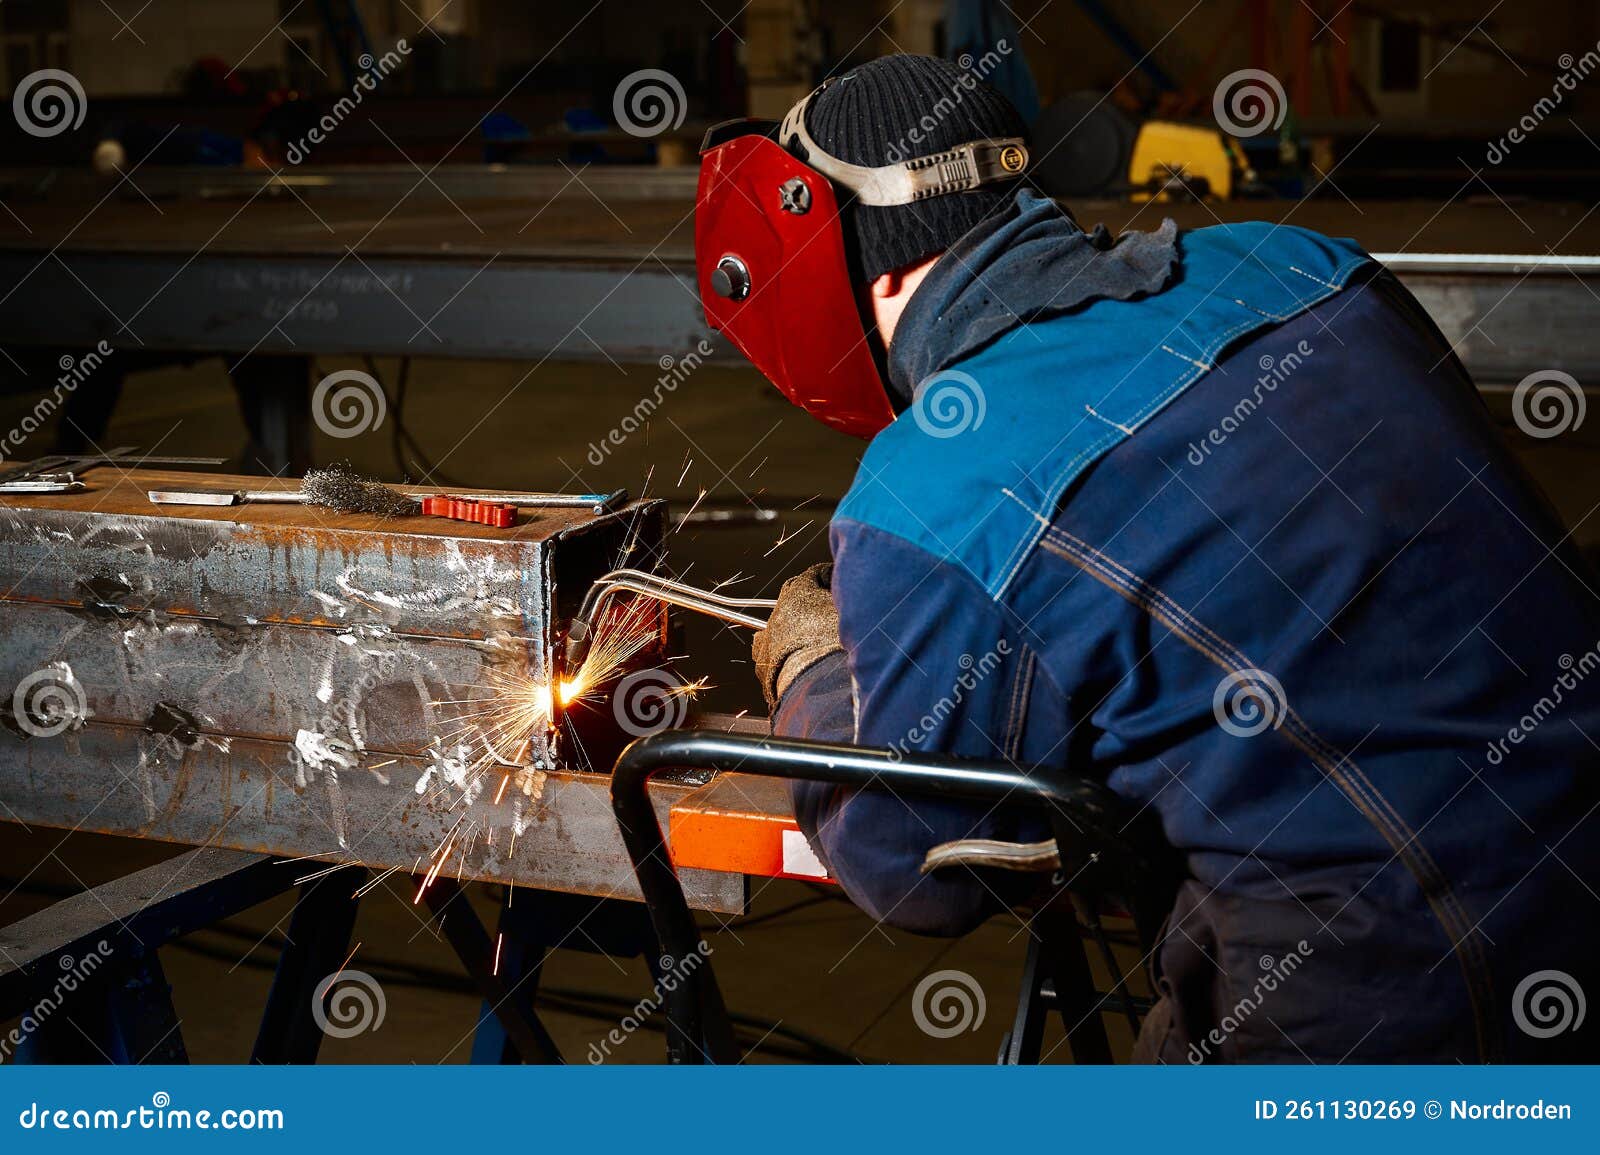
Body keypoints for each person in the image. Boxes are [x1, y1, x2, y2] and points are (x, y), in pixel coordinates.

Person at [694, 53, 1600, 1062]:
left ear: (866, 258)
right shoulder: (1303, 265)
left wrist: (814, 673)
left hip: (1380, 991)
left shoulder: (935, 491)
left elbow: (910, 864)